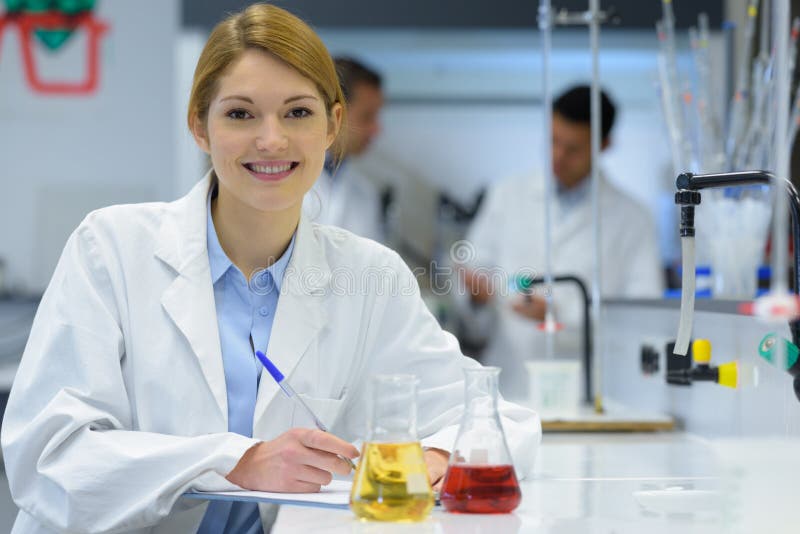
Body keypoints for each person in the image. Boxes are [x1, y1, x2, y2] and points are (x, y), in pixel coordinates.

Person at [0, 4, 540, 533]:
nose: (272, 139)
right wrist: (234, 461)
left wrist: (439, 456)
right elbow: (48, 457)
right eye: (240, 113)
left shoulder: (370, 276)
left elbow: (497, 418)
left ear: (332, 127)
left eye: (297, 112)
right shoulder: (111, 249)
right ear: (199, 126)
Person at [460, 85, 664, 399]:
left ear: (604, 144)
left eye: (573, 148)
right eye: (553, 141)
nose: (558, 156)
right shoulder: (507, 195)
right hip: (509, 385)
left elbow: (640, 318)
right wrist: (476, 294)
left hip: (587, 390)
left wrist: (561, 315)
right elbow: (475, 274)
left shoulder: (633, 219)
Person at [304, 57, 386, 242]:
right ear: (335, 114)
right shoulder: (281, 181)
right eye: (367, 117)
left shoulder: (366, 194)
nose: (377, 129)